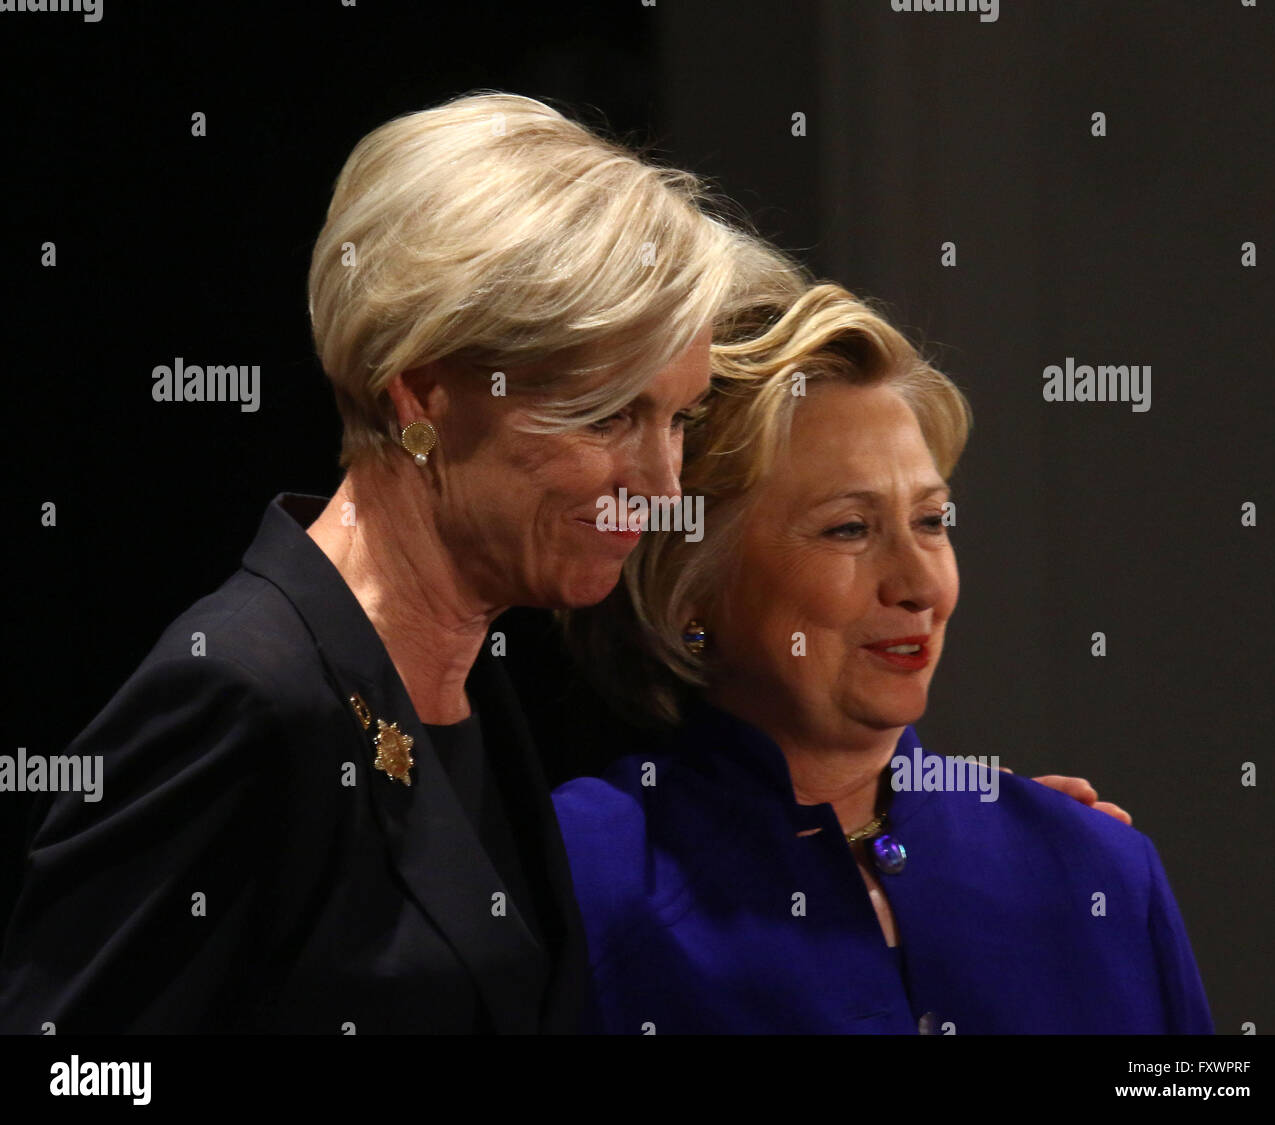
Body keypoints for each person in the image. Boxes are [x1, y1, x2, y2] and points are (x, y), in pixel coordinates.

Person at [0, 91, 804, 1034]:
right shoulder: (242, 698)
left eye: (678, 418)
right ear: (420, 398)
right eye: (606, 416)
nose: (660, 487)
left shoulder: (469, 688)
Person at [554, 283, 1214, 1034]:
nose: (922, 584)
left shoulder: (1098, 866)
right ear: (687, 586)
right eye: (848, 529)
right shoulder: (580, 871)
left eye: (931, 521)